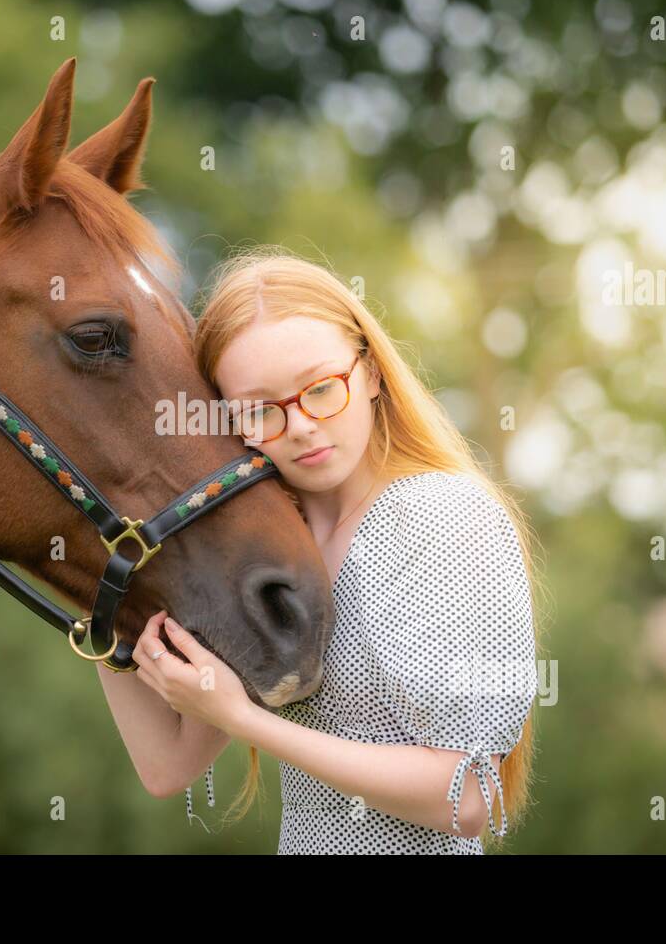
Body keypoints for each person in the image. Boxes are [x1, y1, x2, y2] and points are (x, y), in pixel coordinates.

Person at [96, 248, 543, 853]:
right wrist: (93, 570)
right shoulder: (271, 552)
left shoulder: (441, 517)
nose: (302, 425)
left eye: (321, 389)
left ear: (372, 372)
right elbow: (166, 766)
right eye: (260, 410)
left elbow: (463, 797)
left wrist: (245, 720)